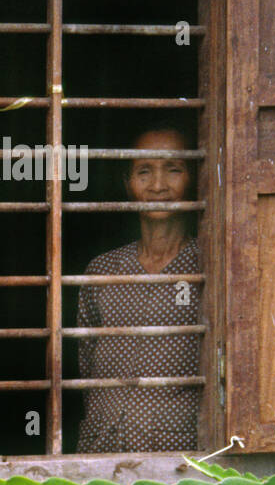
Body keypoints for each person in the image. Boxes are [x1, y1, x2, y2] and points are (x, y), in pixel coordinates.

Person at [75, 126, 202, 453]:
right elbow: (86, 362)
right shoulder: (102, 270)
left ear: (194, 178)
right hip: (100, 444)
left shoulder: (210, 266)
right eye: (144, 172)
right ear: (127, 183)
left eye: (173, 170)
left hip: (178, 450)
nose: (158, 186)